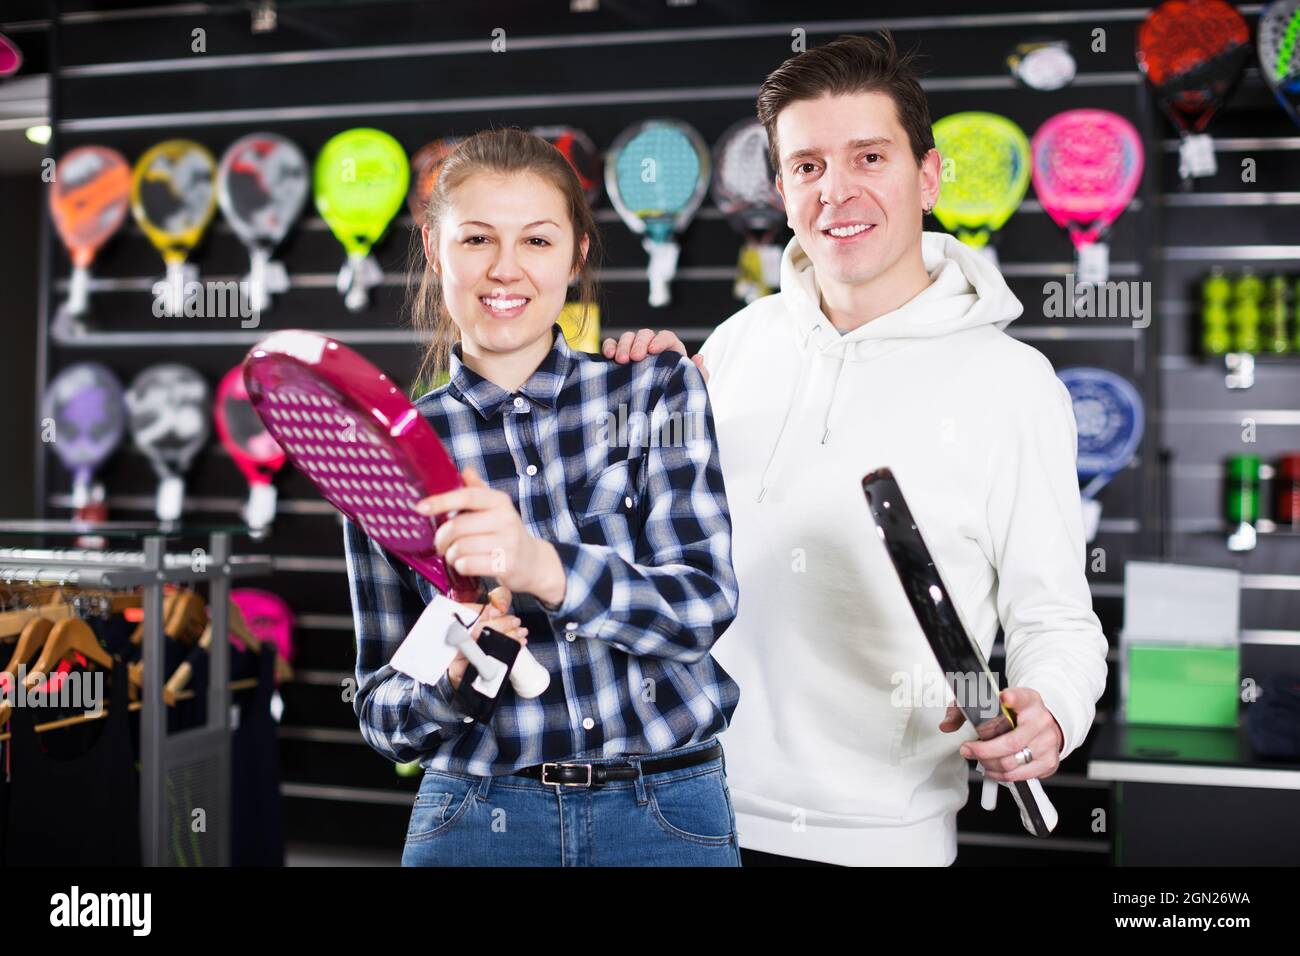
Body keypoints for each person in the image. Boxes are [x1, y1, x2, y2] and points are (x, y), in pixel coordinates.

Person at [602, 31, 1108, 866]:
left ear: (930, 175)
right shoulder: (736, 343)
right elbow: (658, 561)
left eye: (869, 156)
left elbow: (1055, 617)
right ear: (781, 188)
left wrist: (1051, 706)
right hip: (678, 813)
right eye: (807, 166)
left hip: (878, 844)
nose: (837, 191)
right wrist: (640, 433)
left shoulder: (1013, 384)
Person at [343, 128, 742, 867]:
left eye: (535, 240)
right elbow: (382, 713)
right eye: (475, 240)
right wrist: (453, 687)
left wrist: (541, 567)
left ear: (575, 254)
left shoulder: (655, 388)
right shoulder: (392, 455)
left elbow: (700, 609)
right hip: (475, 816)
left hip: (664, 816)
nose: (505, 269)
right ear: (435, 252)